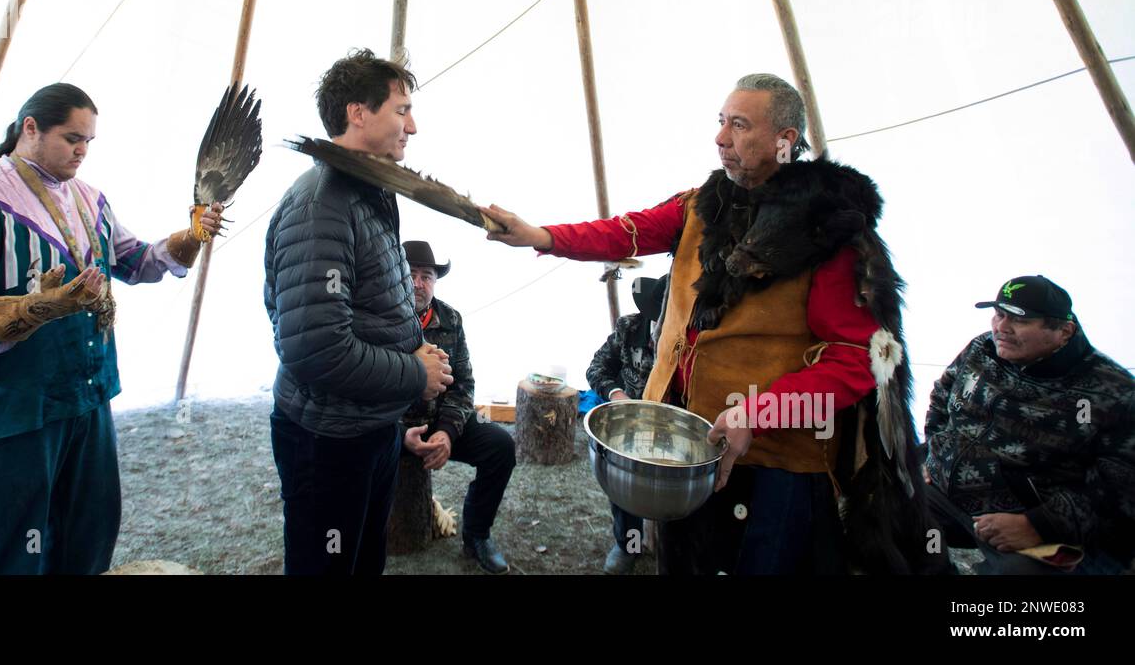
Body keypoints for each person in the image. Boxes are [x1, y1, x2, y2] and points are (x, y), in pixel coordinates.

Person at [483, 73, 935, 574]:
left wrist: (757, 415)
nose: (721, 138)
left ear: (784, 142)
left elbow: (855, 359)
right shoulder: (704, 204)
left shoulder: (826, 232)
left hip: (776, 458)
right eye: (721, 122)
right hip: (690, 444)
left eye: (739, 125)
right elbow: (625, 232)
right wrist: (540, 235)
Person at [0, 83, 222, 575]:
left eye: (89, 141)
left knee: (88, 536)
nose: (82, 151)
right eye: (71, 138)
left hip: (84, 400)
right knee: (12, 552)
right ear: (30, 128)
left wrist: (187, 239)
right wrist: (39, 307)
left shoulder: (89, 200)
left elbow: (136, 261)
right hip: (4, 415)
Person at [264, 49, 453, 575]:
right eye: (401, 110)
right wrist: (412, 372)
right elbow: (316, 348)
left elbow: (368, 302)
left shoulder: (368, 190)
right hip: (328, 440)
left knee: (362, 560)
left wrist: (410, 345)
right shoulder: (322, 203)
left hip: (370, 424)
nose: (412, 126)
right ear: (358, 113)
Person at [924, 276, 1135, 575]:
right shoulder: (981, 349)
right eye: (999, 314)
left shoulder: (1114, 392)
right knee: (885, 520)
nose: (1001, 328)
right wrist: (936, 457)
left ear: (1064, 331)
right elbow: (942, 398)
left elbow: (1120, 490)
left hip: (1036, 523)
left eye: (1019, 320)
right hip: (954, 498)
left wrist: (1038, 525)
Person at [400, 240, 517, 574]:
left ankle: (477, 534)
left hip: (440, 422)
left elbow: (463, 384)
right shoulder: (381, 317)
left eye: (427, 276)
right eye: (411, 274)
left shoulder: (450, 318)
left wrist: (448, 433)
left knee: (500, 446)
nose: (419, 283)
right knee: (356, 447)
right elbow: (367, 389)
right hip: (392, 429)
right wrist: (401, 434)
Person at [586, 274, 665, 574]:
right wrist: (616, 394)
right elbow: (596, 368)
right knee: (625, 487)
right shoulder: (629, 328)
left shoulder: (695, 333)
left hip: (674, 431)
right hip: (631, 428)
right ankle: (628, 545)